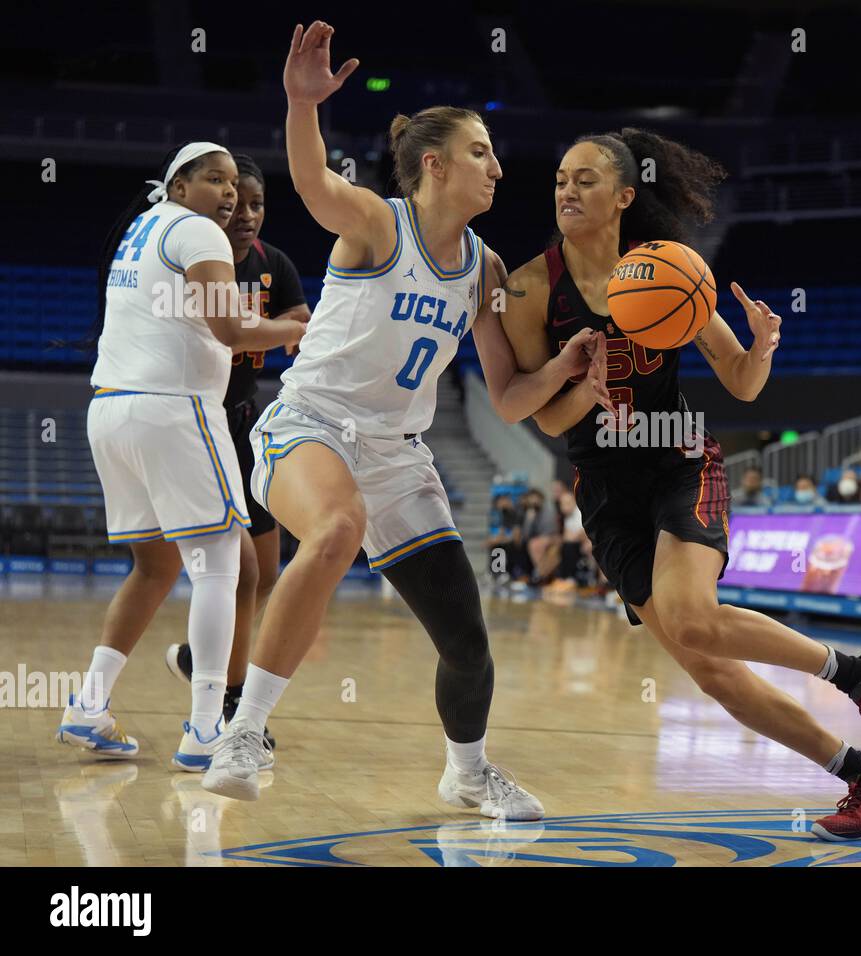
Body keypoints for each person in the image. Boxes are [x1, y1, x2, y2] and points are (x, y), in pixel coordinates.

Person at [203, 22, 596, 811]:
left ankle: (467, 772)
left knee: (467, 640)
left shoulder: (483, 267)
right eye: (480, 152)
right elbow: (312, 182)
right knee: (336, 528)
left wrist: (563, 370)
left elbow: (509, 397)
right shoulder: (380, 224)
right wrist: (301, 105)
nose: (497, 166)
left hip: (397, 454)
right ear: (434, 164)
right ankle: (242, 732)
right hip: (310, 425)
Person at [500, 127, 861, 841]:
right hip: (604, 487)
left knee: (694, 618)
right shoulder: (528, 287)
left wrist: (760, 349)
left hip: (679, 459)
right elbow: (545, 417)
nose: (567, 191)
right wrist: (580, 386)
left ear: (625, 195)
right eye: (560, 180)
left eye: (585, 180)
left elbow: (741, 382)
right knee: (713, 673)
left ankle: (860, 675)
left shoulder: (667, 267)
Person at [56, 142, 304, 770]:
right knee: (225, 566)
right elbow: (234, 331)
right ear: (178, 186)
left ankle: (88, 704)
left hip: (111, 410)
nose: (228, 193)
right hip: (174, 410)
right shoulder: (198, 232)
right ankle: (205, 730)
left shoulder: (143, 227)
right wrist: (300, 330)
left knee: (156, 567)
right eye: (215, 180)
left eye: (233, 183)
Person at [164, 154, 312, 750]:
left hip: (242, 418)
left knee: (264, 573)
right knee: (235, 572)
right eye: (236, 201)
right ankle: (226, 698)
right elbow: (229, 330)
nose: (246, 213)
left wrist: (280, 325)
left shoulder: (273, 264)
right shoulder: (194, 256)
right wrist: (260, 327)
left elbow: (299, 316)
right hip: (193, 417)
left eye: (257, 204)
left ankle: (202, 657)